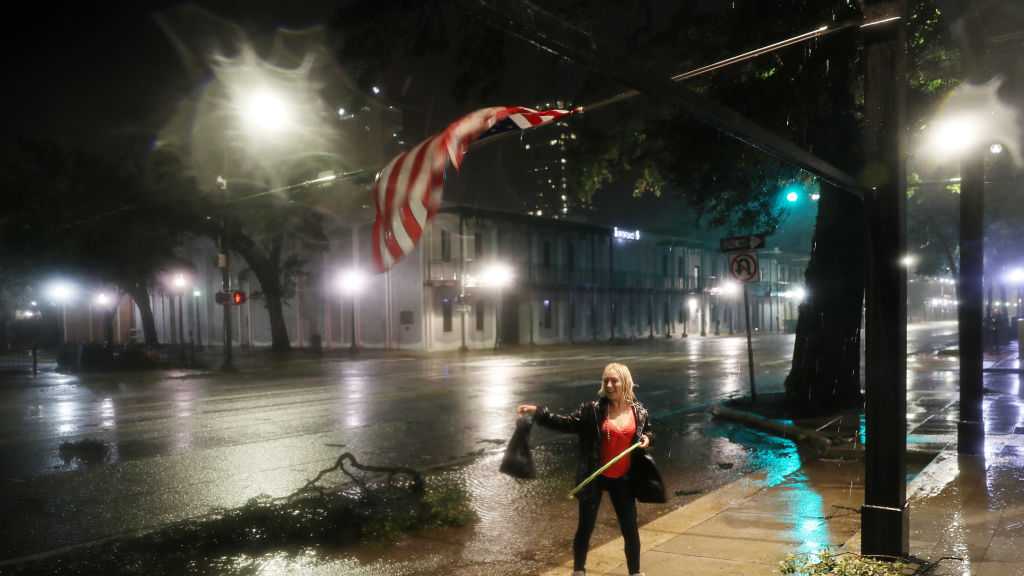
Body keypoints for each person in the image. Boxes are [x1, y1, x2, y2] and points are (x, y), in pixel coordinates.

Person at [517, 362, 656, 576]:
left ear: (625, 382)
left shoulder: (639, 411)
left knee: (630, 528)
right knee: (585, 527)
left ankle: (635, 573)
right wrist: (539, 413)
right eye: (605, 380)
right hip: (595, 475)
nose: (609, 385)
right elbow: (566, 423)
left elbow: (647, 433)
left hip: (624, 478)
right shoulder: (592, 410)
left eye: (614, 380)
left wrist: (648, 439)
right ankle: (579, 571)